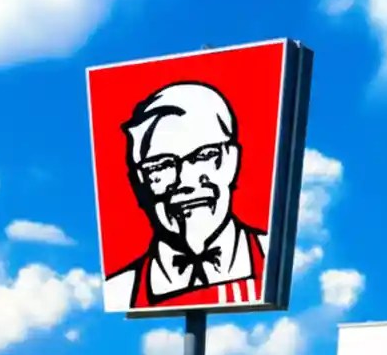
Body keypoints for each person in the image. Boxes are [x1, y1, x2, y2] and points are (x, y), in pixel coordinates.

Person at [104, 81, 268, 310]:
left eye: (204, 155)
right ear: (140, 183)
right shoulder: (120, 290)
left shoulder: (275, 259)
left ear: (232, 160)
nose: (185, 182)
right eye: (161, 165)